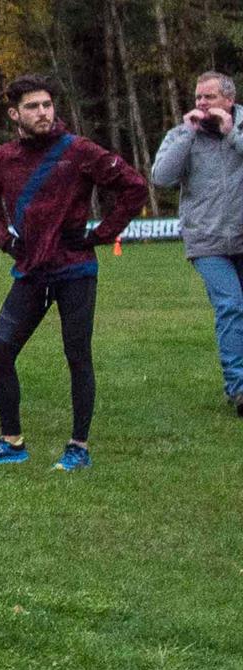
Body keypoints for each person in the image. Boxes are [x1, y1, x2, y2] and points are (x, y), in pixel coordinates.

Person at [0, 74, 146, 471]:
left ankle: (78, 447)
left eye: (47, 104)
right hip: (30, 270)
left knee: (77, 355)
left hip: (75, 268)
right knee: (0, 352)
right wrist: (7, 242)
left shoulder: (78, 151)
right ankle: (11, 441)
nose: (43, 112)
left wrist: (101, 234)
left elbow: (134, 187)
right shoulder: (3, 159)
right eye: (33, 106)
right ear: (14, 113)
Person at [149, 71, 243, 416]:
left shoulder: (240, 129)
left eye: (209, 97)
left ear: (229, 100)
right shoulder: (181, 134)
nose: (201, 104)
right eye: (198, 98)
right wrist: (187, 134)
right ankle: (239, 387)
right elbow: (161, 177)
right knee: (231, 305)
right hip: (207, 240)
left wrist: (231, 134)